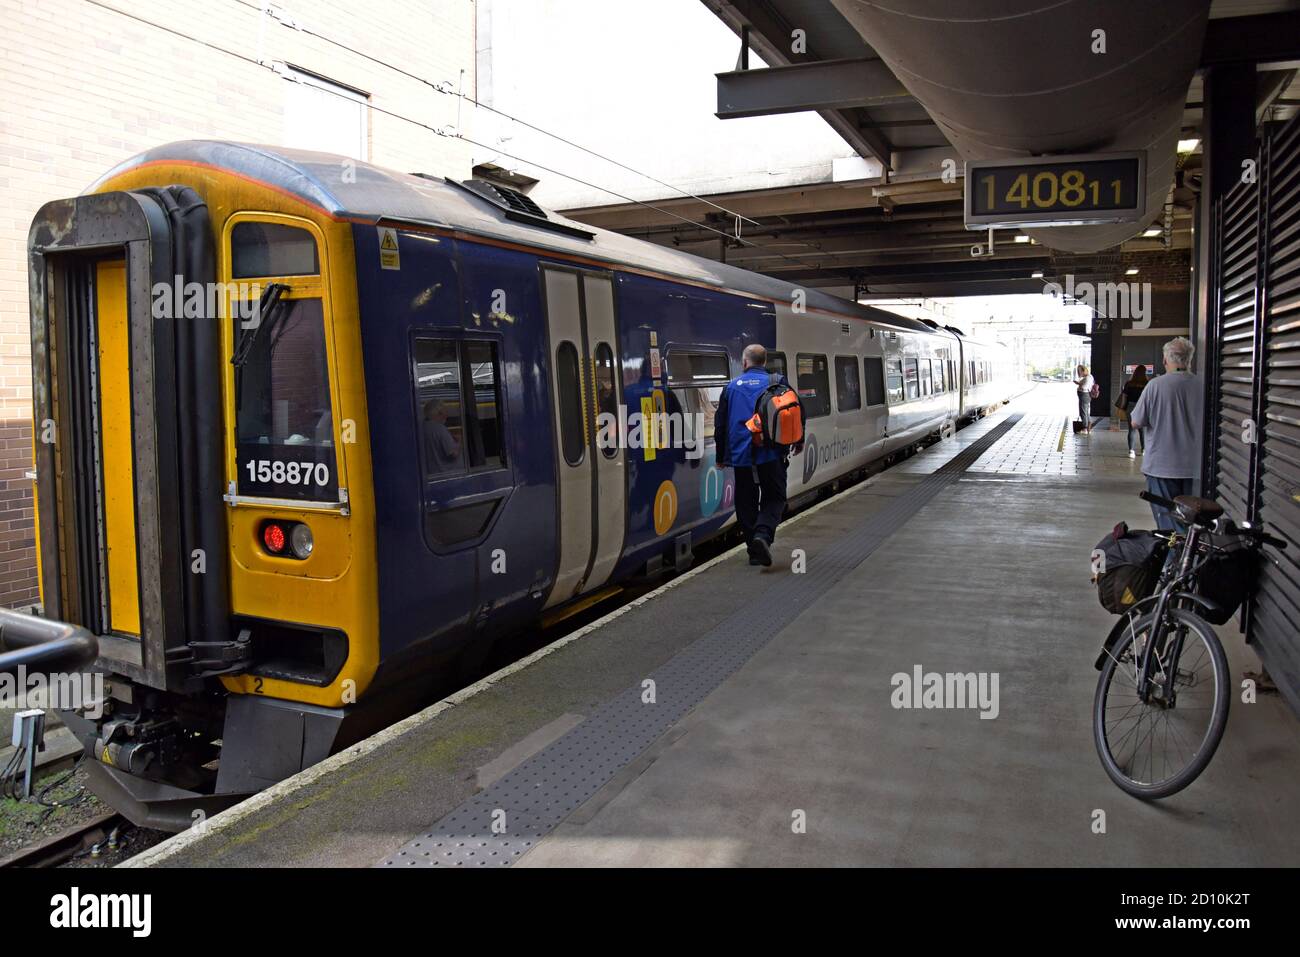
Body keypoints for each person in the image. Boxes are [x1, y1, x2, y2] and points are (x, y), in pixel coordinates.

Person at [714, 343, 801, 567]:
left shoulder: (731, 387)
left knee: (745, 503)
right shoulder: (778, 382)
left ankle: (754, 551)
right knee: (775, 497)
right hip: (772, 454)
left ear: (745, 363)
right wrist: (798, 441)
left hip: (742, 456)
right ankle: (763, 536)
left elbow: (720, 424)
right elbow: (796, 411)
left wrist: (720, 456)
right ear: (764, 362)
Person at [1129, 338, 1204, 530]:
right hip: (1195, 467)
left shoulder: (1155, 385)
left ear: (1165, 360)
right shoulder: (1202, 385)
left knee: (1169, 524)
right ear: (1190, 359)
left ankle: (1175, 559)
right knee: (1193, 521)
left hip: (1162, 467)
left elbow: (1136, 421)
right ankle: (1189, 555)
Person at [421, 399, 461, 475]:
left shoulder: (422, 427)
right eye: (445, 410)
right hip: (445, 475)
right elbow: (454, 454)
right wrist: (459, 442)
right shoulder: (440, 429)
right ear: (440, 412)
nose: (447, 414)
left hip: (430, 475)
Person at [1119, 364, 1149, 458]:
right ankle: (1144, 449)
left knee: (1131, 430)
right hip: (1142, 407)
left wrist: (1123, 407)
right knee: (1142, 430)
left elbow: (1124, 396)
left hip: (1131, 406)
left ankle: (1131, 451)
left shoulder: (1129, 383)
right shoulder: (1147, 383)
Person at [1073, 364, 1094, 434]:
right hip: (1085, 396)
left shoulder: (1088, 378)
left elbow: (1084, 387)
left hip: (1084, 396)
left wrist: (1079, 384)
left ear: (1083, 370)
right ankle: (1088, 428)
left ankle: (1085, 428)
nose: (1079, 373)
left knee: (1083, 412)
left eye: (1079, 371)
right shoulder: (1089, 377)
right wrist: (1079, 383)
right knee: (1085, 412)